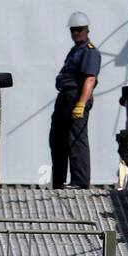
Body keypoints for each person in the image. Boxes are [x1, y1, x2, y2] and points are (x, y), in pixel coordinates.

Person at [49, 12, 100, 190]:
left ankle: (80, 181)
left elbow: (90, 79)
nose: (76, 33)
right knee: (57, 139)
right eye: (73, 30)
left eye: (79, 30)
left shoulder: (90, 51)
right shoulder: (75, 51)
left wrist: (81, 103)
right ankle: (59, 181)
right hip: (64, 97)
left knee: (76, 139)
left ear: (87, 30)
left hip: (76, 96)